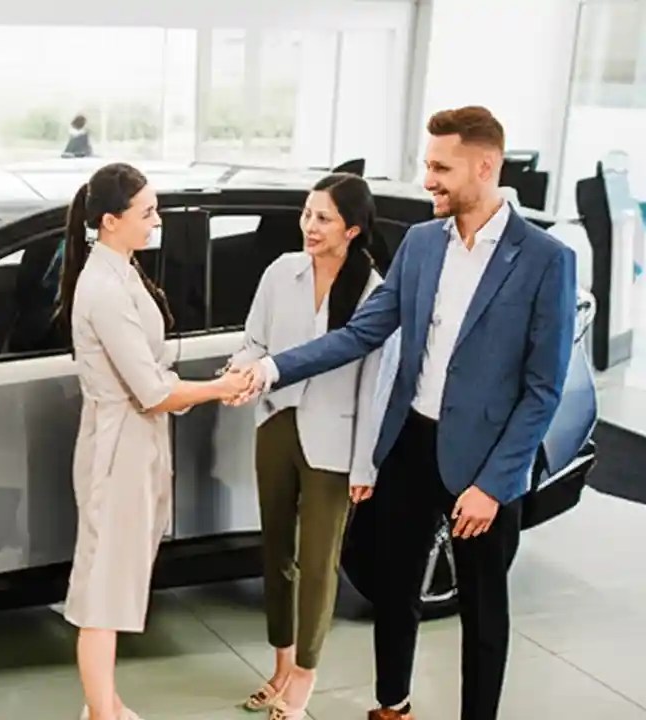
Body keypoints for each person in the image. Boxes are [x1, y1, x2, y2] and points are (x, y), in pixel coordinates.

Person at [226, 106, 577, 720]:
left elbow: (543, 389)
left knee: (483, 611)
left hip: (485, 462)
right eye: (427, 164)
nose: (428, 179)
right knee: (394, 590)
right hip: (411, 445)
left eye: (441, 167)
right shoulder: (421, 243)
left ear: (485, 166)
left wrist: (494, 485)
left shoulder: (545, 259)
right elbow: (359, 333)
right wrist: (271, 369)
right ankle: (393, 707)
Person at [58, 162, 250, 720]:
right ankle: (102, 714)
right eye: (147, 213)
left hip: (134, 441)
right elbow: (149, 389)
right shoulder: (103, 287)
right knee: (103, 594)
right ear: (110, 220)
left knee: (116, 584)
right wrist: (220, 387)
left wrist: (205, 386)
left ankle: (108, 705)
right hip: (118, 448)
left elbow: (152, 373)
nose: (157, 221)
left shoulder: (121, 270)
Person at [228, 173, 388, 720]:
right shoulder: (281, 272)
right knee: (276, 552)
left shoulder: (372, 293)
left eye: (323, 218)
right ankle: (280, 663)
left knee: (319, 563)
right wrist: (240, 372)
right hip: (277, 422)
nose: (310, 226)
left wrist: (365, 465)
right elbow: (254, 341)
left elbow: (372, 386)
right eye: (307, 214)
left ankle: (304, 676)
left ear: (353, 229)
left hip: (334, 441)